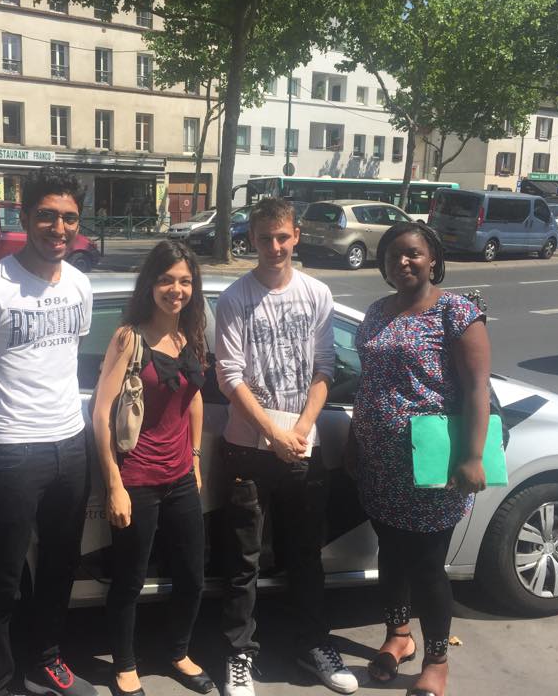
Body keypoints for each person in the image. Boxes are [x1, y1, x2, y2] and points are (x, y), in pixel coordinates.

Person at [0, 167, 98, 696]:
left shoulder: (80, 283)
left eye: (69, 218)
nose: (59, 228)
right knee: (3, 578)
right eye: (48, 216)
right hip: (12, 451)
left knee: (60, 567)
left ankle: (46, 662)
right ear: (25, 217)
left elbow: (65, 360)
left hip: (71, 446)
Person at [215, 197, 357, 696]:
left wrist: (298, 431)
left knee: (304, 555)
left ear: (296, 235)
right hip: (248, 449)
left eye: (283, 237)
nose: (274, 247)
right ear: (250, 239)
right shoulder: (234, 298)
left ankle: (312, 644)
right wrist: (272, 433)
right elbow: (229, 374)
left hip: (302, 446)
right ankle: (238, 655)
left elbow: (325, 368)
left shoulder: (316, 293)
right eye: (263, 238)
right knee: (243, 560)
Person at [347, 221, 491, 696]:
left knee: (428, 566)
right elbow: (368, 383)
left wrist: (471, 456)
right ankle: (398, 636)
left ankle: (436, 660)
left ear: (432, 258)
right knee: (390, 556)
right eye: (392, 256)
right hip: (380, 463)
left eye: (412, 253)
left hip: (433, 465)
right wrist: (356, 441)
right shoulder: (376, 311)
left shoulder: (456, 312)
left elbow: (476, 391)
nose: (402, 262)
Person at [92, 240, 214, 696]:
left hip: (181, 476)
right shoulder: (129, 337)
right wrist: (114, 484)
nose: (176, 290)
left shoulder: (189, 334)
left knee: (192, 576)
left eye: (184, 281)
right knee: (129, 580)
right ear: (151, 284)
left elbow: (194, 396)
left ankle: (177, 651)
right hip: (137, 479)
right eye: (166, 280)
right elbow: (101, 414)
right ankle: (124, 664)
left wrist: (196, 457)